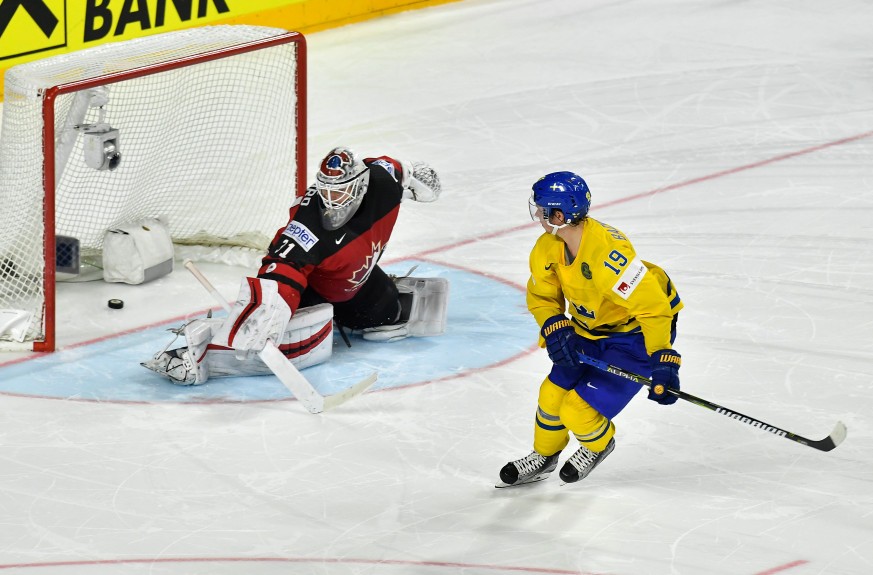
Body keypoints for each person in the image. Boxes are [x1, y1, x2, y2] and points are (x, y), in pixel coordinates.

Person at [142, 146, 447, 385]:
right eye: (326, 191)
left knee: (389, 314)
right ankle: (200, 353)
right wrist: (268, 311)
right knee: (268, 327)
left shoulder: (383, 179)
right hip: (311, 290)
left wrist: (421, 181)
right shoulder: (308, 226)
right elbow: (282, 268)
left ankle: (374, 304)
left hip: (355, 283)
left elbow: (405, 171)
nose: (331, 200)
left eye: (339, 191)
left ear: (360, 185)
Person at [497, 171, 683, 487]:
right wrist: (555, 327)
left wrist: (663, 358)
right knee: (551, 393)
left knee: (577, 411)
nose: (537, 215)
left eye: (542, 209)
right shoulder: (547, 248)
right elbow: (541, 296)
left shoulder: (609, 257)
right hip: (589, 330)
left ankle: (599, 444)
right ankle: (544, 456)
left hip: (633, 337)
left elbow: (652, 308)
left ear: (559, 214)